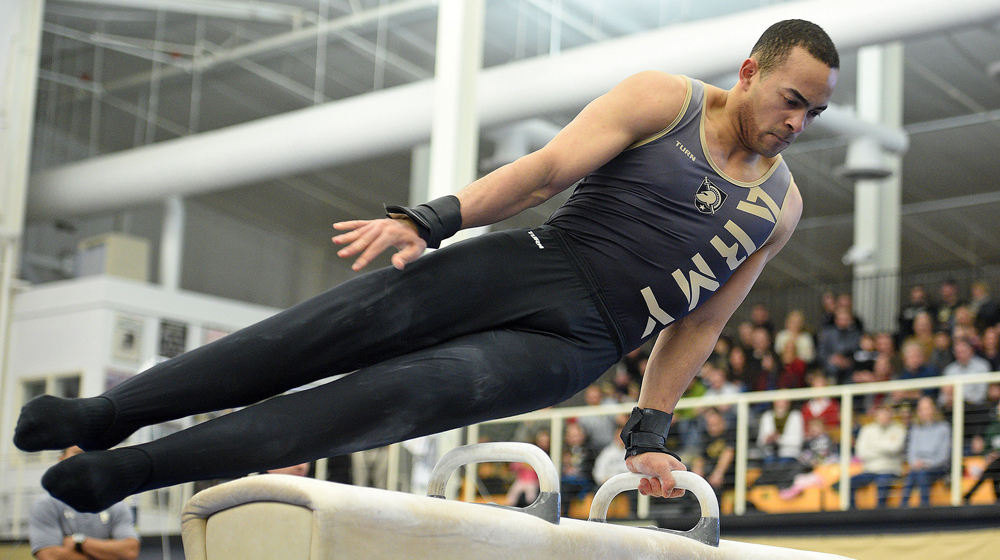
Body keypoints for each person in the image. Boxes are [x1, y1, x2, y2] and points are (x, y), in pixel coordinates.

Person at [13, 19, 839, 513]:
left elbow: (701, 323)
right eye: (792, 100)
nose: (798, 122)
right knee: (316, 334)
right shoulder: (667, 100)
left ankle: (133, 472)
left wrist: (648, 437)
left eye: (816, 112)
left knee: (376, 402)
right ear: (750, 73)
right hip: (532, 262)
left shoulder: (780, 208)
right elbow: (545, 172)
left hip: (578, 347)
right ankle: (107, 413)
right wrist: (429, 219)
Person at [28, 447, 140, 560]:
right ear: (62, 460)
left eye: (92, 453)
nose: (87, 459)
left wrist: (79, 541)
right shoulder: (46, 505)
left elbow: (129, 551)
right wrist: (107, 552)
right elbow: (49, 555)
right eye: (79, 454)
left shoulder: (117, 505)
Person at [849, 405, 906, 509]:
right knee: (848, 483)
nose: (883, 417)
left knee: (883, 482)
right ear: (876, 415)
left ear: (891, 415)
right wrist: (886, 448)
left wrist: (873, 446)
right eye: (881, 414)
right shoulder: (867, 430)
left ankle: (880, 514)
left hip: (890, 470)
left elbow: (895, 448)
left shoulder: (899, 429)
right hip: (870, 470)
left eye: (886, 414)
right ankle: (852, 513)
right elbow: (861, 453)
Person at [898, 396, 950, 507]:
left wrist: (927, 463)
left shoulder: (943, 428)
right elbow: (911, 451)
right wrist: (914, 463)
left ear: (934, 409)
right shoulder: (915, 428)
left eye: (927, 408)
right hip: (918, 467)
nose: (924, 412)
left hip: (937, 467)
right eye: (921, 409)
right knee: (912, 474)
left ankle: (924, 507)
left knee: (921, 474)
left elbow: (943, 455)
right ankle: (903, 508)